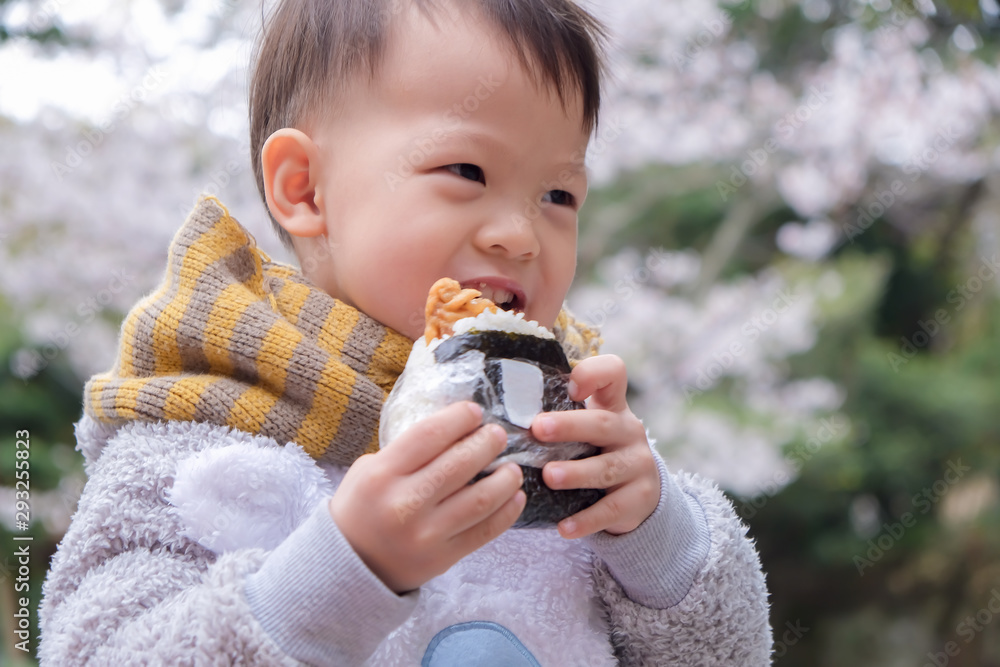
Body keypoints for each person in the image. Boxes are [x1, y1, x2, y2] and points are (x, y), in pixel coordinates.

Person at [38, 0, 772, 664]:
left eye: (558, 194)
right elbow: (95, 648)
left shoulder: (568, 432)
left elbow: (725, 652)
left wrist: (653, 529)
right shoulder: (202, 419)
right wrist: (344, 569)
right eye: (465, 169)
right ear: (305, 188)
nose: (521, 235)